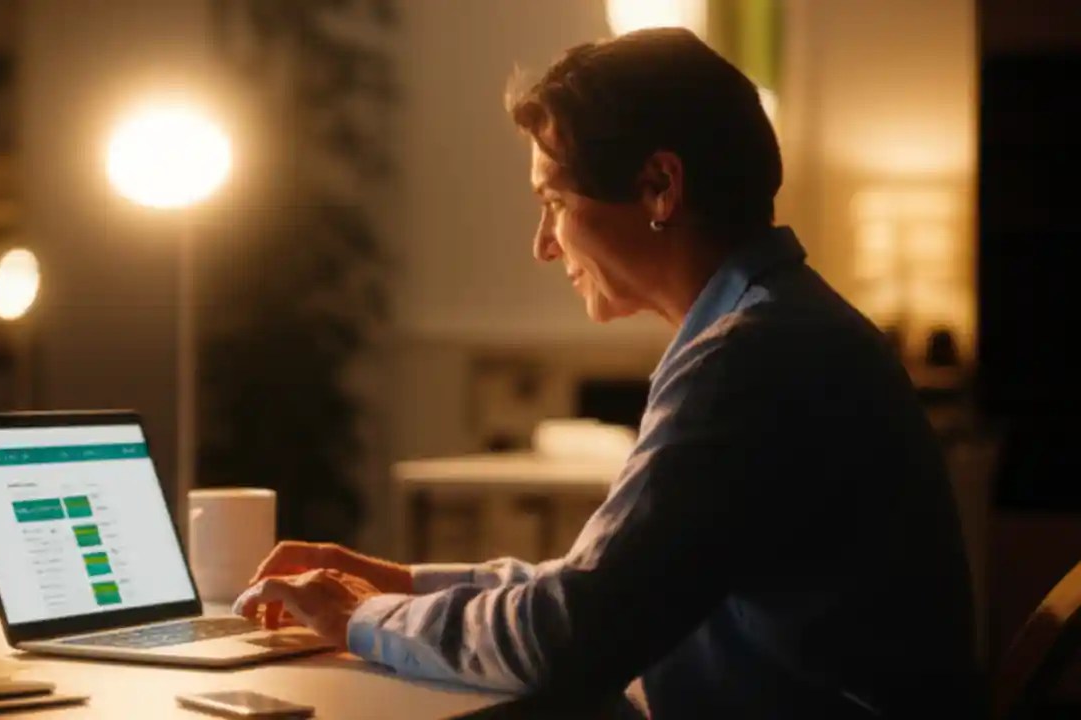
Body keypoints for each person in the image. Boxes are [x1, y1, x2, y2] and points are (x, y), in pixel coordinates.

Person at [234, 28, 982, 718]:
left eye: (553, 201)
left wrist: (357, 617)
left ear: (660, 186)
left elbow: (569, 633)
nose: (543, 245)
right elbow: (602, 586)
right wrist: (399, 584)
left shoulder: (749, 358)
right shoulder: (779, 325)